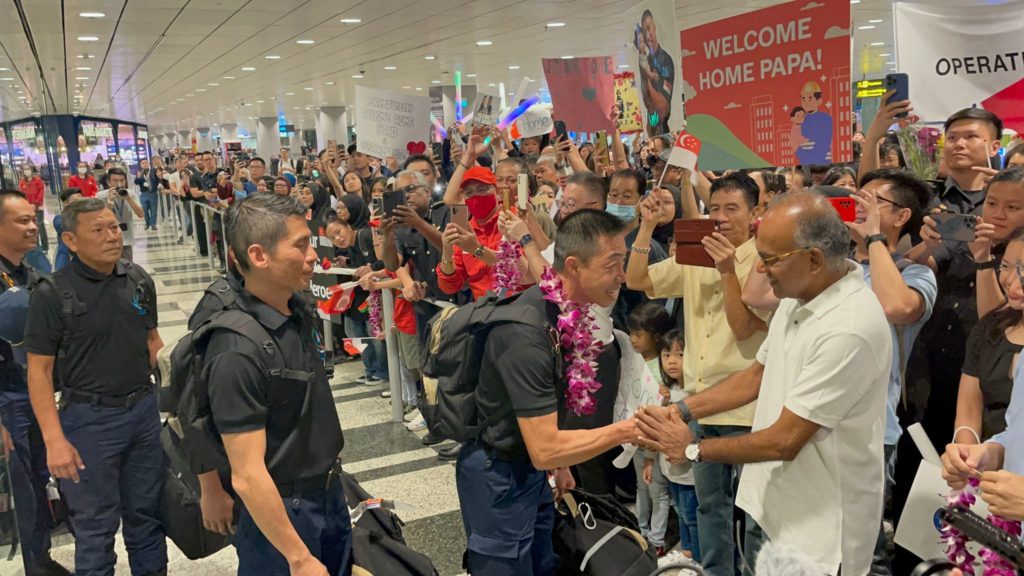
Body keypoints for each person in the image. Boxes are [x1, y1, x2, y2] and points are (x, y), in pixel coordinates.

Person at [637, 192, 892, 575]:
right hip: (780, 506)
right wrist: (680, 410)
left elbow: (785, 440)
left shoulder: (848, 327)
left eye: (769, 259)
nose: (760, 269)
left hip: (821, 531)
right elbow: (757, 375)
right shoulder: (800, 295)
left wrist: (693, 449)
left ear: (815, 258)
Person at [456, 209, 640, 575]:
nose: (622, 276)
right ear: (573, 266)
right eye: (612, 264)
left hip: (531, 471)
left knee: (544, 564)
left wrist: (562, 463)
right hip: (498, 476)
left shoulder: (564, 312)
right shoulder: (525, 335)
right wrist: (631, 429)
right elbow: (543, 448)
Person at [626, 172, 769, 575]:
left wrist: (727, 269)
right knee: (711, 506)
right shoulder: (695, 254)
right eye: (715, 209)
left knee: (757, 510)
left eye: (732, 209)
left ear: (754, 213)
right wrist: (648, 224)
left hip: (750, 404)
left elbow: (744, 329)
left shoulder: (765, 259)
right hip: (700, 403)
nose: (721, 218)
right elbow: (637, 278)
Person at [206, 193, 351, 576]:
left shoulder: (293, 309)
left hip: (326, 494)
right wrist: (297, 556)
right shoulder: (235, 349)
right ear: (258, 256)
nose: (313, 256)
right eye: (300, 245)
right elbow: (249, 473)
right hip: (283, 512)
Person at [24, 197, 165, 576]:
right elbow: (38, 371)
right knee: (96, 528)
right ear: (71, 240)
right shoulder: (52, 293)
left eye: (114, 227)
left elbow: (153, 341)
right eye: (98, 231)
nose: (111, 236)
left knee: (148, 517)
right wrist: (54, 440)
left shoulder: (137, 279)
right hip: (89, 421)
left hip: (142, 413)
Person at [0, 189, 72, 576]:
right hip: (6, 398)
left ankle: (41, 558)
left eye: (33, 218)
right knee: (23, 490)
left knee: (39, 479)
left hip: (35, 391)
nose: (33, 226)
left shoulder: (28, 272)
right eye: (21, 221)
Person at [626, 302, 675, 556]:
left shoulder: (663, 367)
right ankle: (641, 530)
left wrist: (650, 451)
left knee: (657, 489)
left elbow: (661, 409)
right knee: (641, 486)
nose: (633, 339)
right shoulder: (632, 361)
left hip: (653, 440)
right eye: (630, 333)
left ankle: (656, 539)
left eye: (638, 334)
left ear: (655, 336)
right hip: (634, 436)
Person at [657, 328, 700, 561]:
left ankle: (699, 558)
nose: (672, 360)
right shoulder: (669, 391)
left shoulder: (695, 395)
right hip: (670, 467)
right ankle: (687, 550)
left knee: (692, 515)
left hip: (690, 469)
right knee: (681, 512)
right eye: (666, 354)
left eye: (680, 354)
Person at [637, 9, 674, 136]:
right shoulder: (645, 62)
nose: (647, 36)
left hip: (665, 133)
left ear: (655, 27)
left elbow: (663, 107)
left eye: (649, 28)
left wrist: (647, 79)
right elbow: (647, 103)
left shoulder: (665, 61)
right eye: (644, 31)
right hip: (652, 130)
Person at [96, 167, 144, 262]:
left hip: (126, 239)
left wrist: (128, 199)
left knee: (128, 267)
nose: (119, 184)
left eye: (122, 180)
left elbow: (141, 214)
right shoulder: (100, 196)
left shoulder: (130, 194)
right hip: (107, 239)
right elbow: (99, 220)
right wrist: (109, 203)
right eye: (115, 181)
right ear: (109, 182)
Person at [53, 187, 84, 271]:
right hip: (66, 258)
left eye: (81, 201)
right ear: (65, 203)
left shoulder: (87, 217)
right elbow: (64, 227)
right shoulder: (59, 219)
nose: (79, 204)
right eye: (76, 201)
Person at [19, 166, 47, 254]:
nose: (27, 171)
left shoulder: (38, 181)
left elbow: (41, 192)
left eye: (28, 169)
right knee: (31, 228)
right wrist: (27, 204)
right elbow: (21, 195)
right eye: (25, 169)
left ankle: (45, 247)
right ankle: (36, 246)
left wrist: (35, 203)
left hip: (38, 207)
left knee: (40, 226)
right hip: (27, 208)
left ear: (31, 171)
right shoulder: (22, 182)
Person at [135, 158, 159, 230]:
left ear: (148, 163)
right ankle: (147, 223)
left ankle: (153, 224)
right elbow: (136, 182)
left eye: (146, 162)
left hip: (153, 193)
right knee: (144, 209)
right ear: (141, 165)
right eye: (143, 163)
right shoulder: (139, 172)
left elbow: (158, 179)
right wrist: (138, 177)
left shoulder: (153, 171)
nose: (145, 164)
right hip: (143, 193)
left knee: (153, 209)